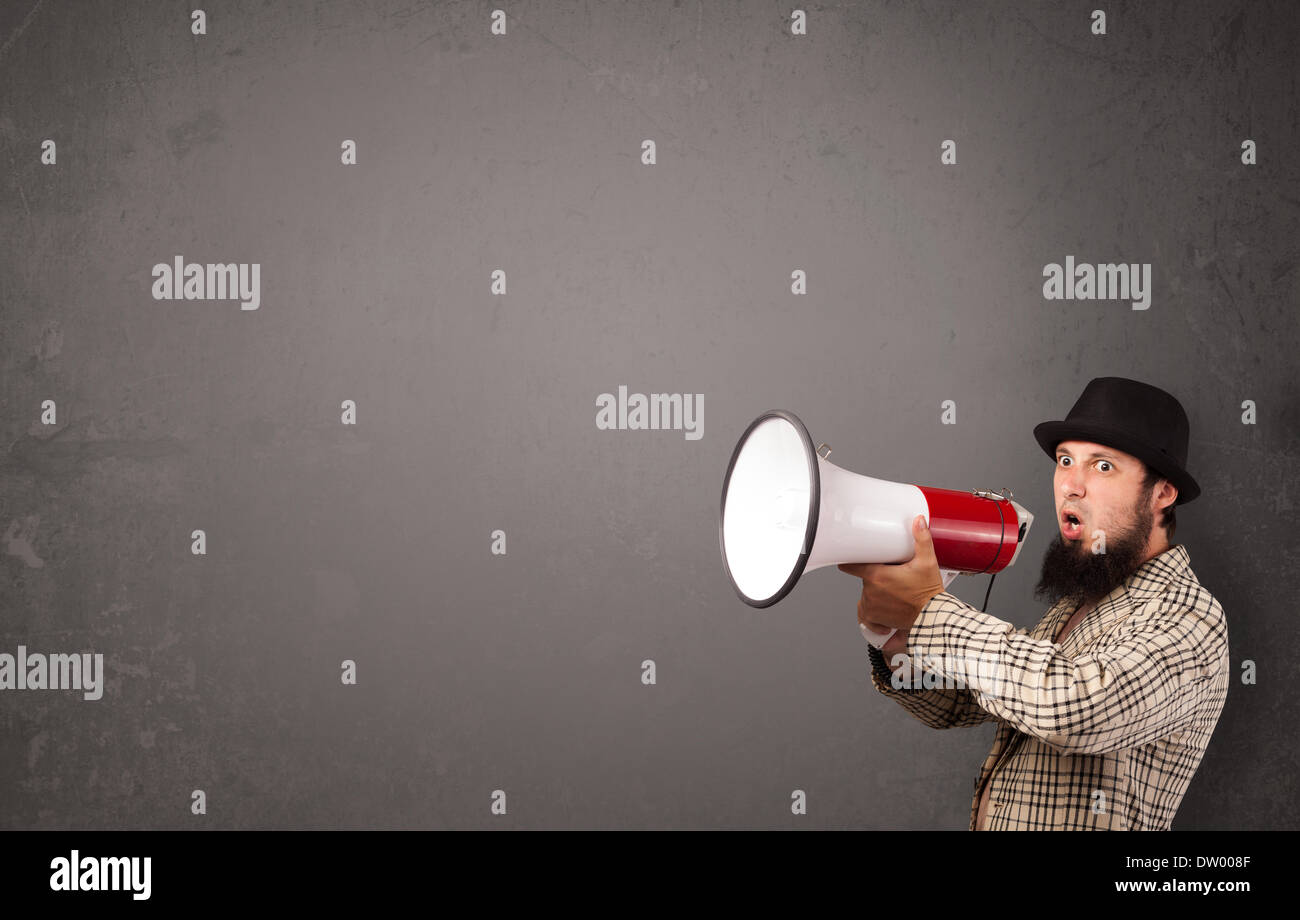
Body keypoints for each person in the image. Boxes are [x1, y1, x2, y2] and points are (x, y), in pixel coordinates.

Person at [839, 377, 1229, 830]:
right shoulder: (1078, 607)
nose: (1071, 486)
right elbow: (964, 705)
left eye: (1102, 467)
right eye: (1066, 461)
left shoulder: (1189, 615)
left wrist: (930, 611)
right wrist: (896, 639)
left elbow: (1076, 711)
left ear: (1162, 493)